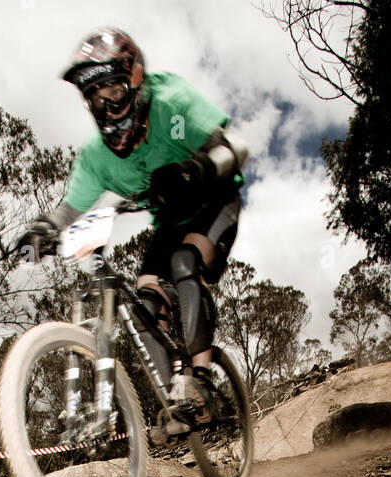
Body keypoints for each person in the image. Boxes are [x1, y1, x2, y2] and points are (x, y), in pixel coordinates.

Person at [17, 29, 248, 432]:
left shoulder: (170, 107)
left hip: (215, 203)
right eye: (95, 96)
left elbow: (237, 147)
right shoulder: (97, 158)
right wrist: (42, 229)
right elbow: (71, 207)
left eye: (113, 90)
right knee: (144, 302)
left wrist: (193, 169)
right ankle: (176, 398)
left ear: (136, 80)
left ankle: (202, 382)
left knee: (183, 262)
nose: (106, 105)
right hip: (170, 222)